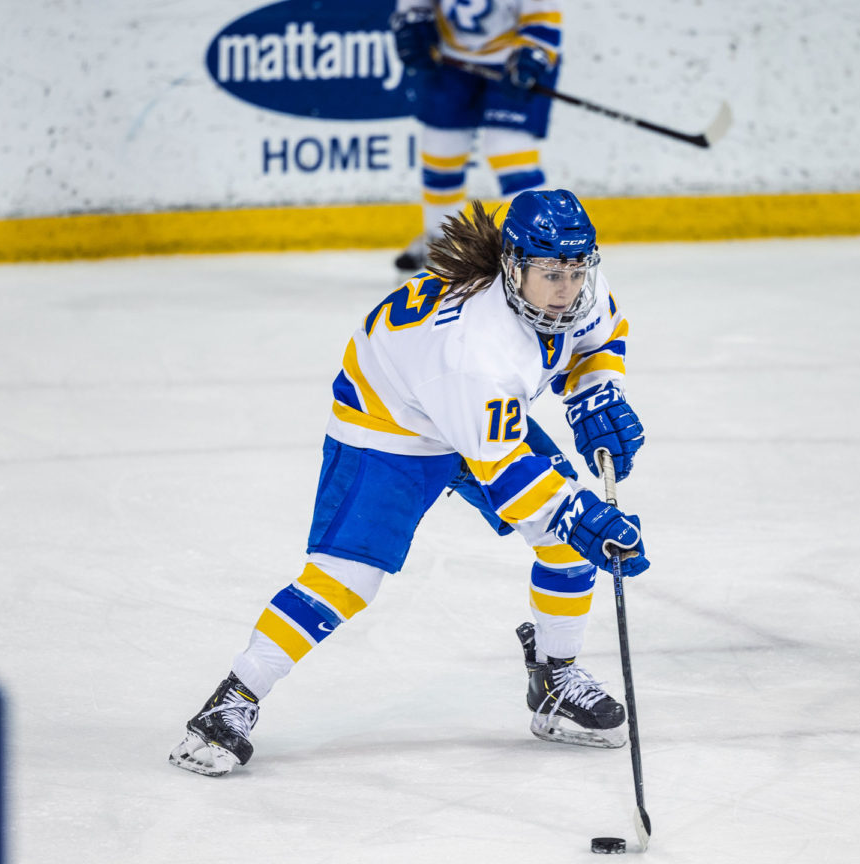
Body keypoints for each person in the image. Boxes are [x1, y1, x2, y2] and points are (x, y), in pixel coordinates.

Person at [170, 189, 649, 776]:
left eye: (577, 272)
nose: (568, 289)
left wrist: (597, 392)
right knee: (346, 580)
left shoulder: (573, 288)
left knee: (565, 543)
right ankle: (231, 700)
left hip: (470, 414)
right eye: (552, 274)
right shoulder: (476, 351)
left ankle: (554, 680)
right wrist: (578, 515)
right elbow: (507, 472)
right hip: (389, 424)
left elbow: (599, 337)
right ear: (514, 267)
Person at [389, 0, 562, 271]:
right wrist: (413, 24)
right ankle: (440, 240)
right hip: (452, 60)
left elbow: (543, 18)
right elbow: (415, 8)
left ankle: (542, 247)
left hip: (514, 58)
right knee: (440, 149)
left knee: (508, 150)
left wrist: (532, 58)